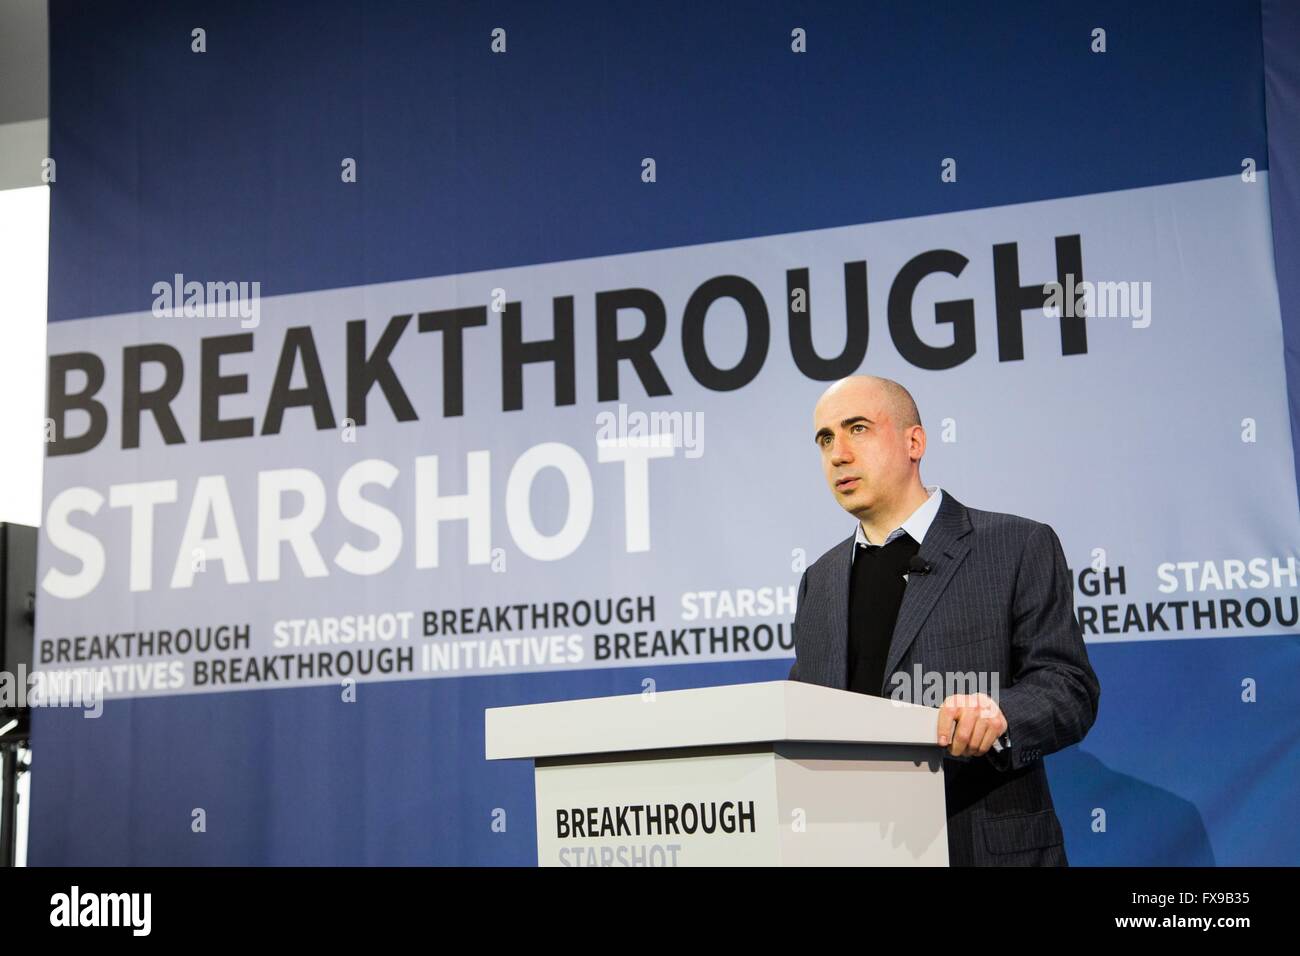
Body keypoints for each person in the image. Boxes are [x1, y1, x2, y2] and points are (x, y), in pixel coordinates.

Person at [788, 375, 1100, 866]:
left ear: (916, 441)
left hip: (981, 849)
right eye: (825, 438)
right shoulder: (818, 581)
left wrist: (1000, 715)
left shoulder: (1015, 546)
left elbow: (1069, 687)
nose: (838, 454)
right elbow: (804, 712)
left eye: (858, 429)